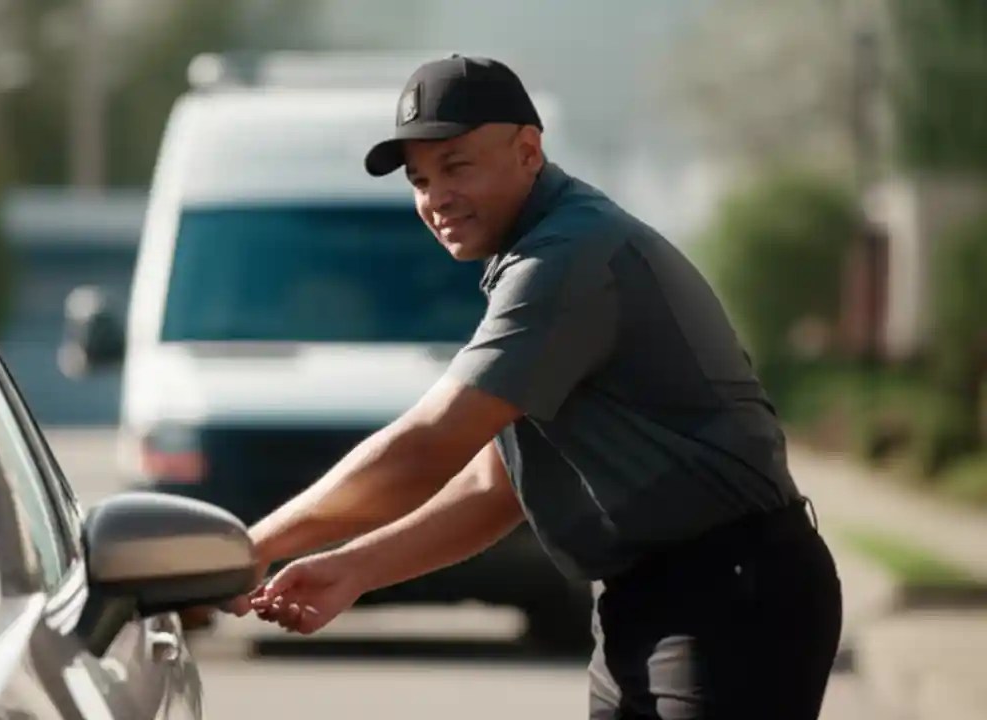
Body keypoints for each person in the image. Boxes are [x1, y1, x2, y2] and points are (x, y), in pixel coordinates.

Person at [224, 54, 843, 719]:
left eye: (457, 166)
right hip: (646, 601)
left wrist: (253, 547)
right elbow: (494, 486)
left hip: (730, 596)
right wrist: (353, 568)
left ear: (528, 150)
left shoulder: (568, 256)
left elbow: (430, 443)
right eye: (420, 179)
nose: (435, 198)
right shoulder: (528, 257)